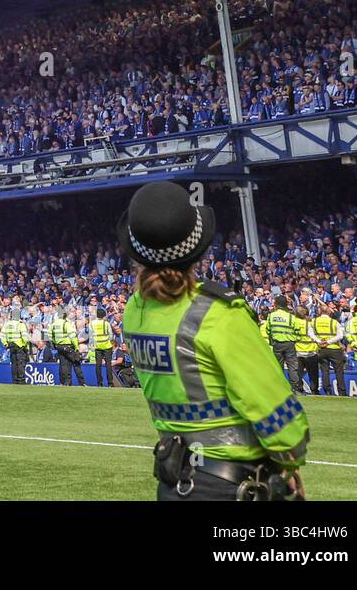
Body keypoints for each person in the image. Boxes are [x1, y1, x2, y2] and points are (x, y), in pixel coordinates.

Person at [118, 181, 309, 501]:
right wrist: (289, 461)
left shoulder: (135, 310)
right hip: (231, 484)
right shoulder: (219, 312)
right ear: (198, 248)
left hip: (174, 479)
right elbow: (271, 405)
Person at [265, 296, 299, 389]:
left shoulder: (271, 316)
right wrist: (294, 339)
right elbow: (298, 330)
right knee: (292, 366)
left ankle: (279, 387)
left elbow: (268, 330)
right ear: (286, 305)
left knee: (278, 366)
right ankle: (295, 387)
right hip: (289, 344)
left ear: (276, 304)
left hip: (277, 344)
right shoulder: (291, 317)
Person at [310, 304, 344, 396]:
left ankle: (327, 391)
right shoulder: (334, 322)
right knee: (339, 371)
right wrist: (329, 342)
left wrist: (319, 341)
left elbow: (310, 334)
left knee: (325, 370)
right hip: (334, 349)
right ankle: (341, 391)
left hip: (321, 349)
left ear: (319, 311)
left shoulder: (314, 321)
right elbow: (340, 335)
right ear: (329, 312)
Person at [51, 309, 85, 386]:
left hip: (59, 346)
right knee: (76, 361)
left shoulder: (54, 324)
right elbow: (72, 336)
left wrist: (55, 343)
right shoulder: (66, 324)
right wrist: (76, 347)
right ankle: (82, 382)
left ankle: (66, 382)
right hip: (68, 345)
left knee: (64, 364)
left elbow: (50, 334)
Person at [293, 307, 318, 395]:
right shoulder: (310, 323)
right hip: (310, 351)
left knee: (298, 373)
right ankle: (314, 390)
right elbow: (314, 335)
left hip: (298, 350)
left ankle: (299, 389)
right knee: (313, 374)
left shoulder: (293, 322)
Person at [89, 308, 116, 387]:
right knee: (108, 365)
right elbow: (111, 335)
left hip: (97, 346)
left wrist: (92, 345)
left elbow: (91, 336)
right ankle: (110, 383)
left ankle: (99, 383)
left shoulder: (92, 323)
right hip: (107, 346)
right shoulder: (106, 323)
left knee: (98, 365)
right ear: (104, 315)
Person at [1, 314, 29, 385]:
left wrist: (5, 344)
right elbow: (25, 336)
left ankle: (15, 380)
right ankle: (21, 380)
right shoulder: (20, 324)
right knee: (20, 363)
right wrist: (25, 344)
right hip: (20, 346)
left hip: (11, 346)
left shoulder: (7, 324)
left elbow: (2, 335)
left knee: (14, 364)